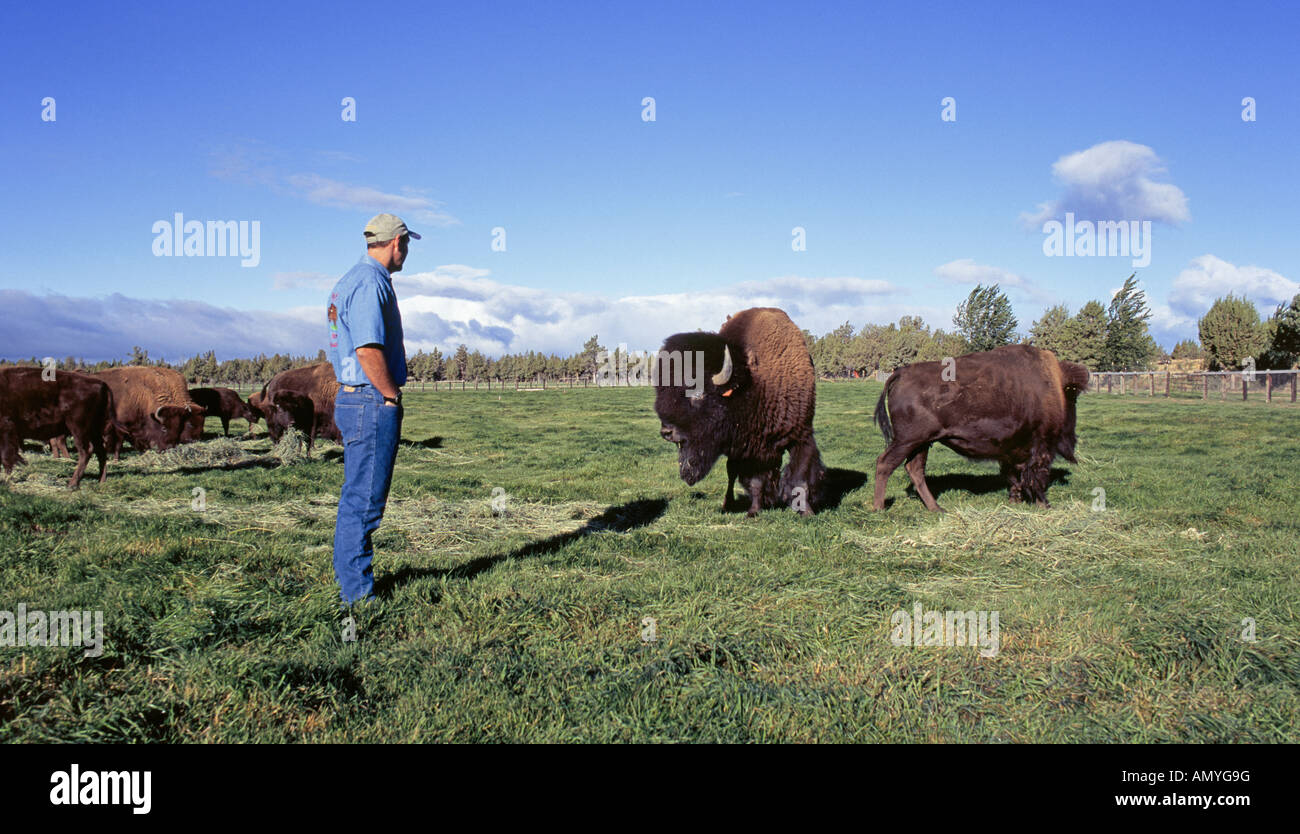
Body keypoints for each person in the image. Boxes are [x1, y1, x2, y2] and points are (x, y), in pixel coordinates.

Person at [327, 213, 417, 605]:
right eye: (407, 244)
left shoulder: (350, 279)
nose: (408, 252)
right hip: (369, 399)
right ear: (396, 243)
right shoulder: (369, 283)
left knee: (357, 496)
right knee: (364, 502)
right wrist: (390, 396)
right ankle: (358, 598)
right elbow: (367, 348)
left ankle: (353, 583)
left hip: (354, 397)